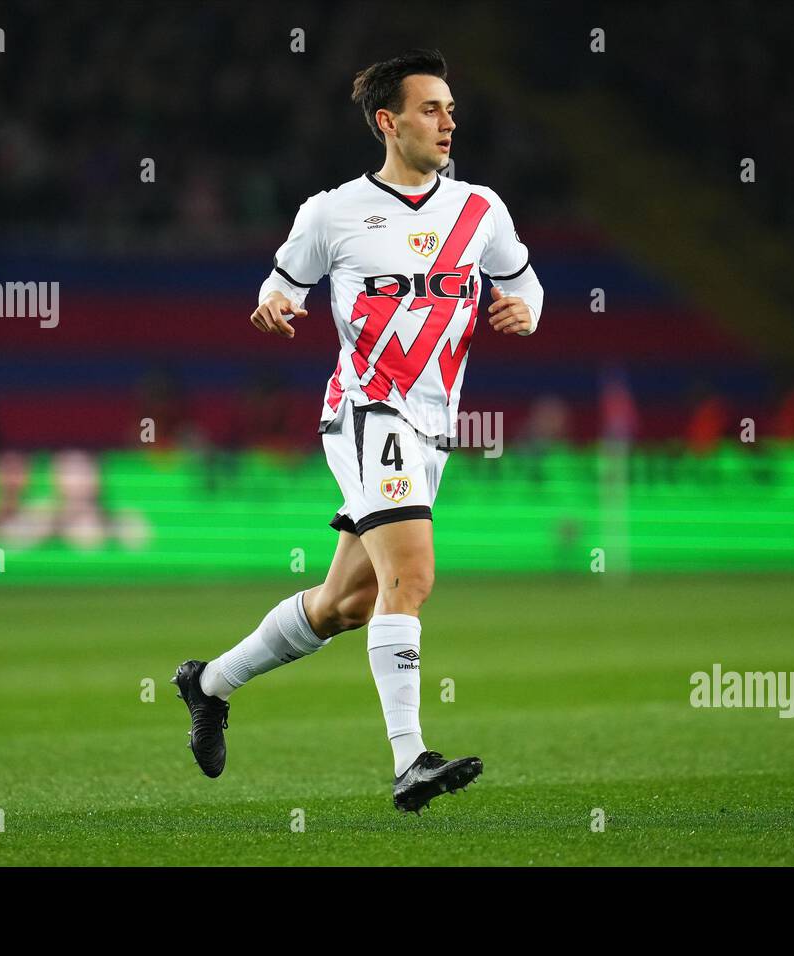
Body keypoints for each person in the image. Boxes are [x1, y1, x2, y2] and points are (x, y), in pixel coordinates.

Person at [173, 49, 544, 814]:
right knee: (413, 579)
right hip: (367, 411)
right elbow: (279, 290)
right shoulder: (331, 212)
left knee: (345, 604)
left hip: (433, 425)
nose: (448, 121)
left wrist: (526, 309)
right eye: (431, 108)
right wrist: (273, 307)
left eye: (450, 107)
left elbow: (524, 283)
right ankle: (410, 761)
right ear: (388, 121)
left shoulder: (481, 210)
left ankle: (208, 684)